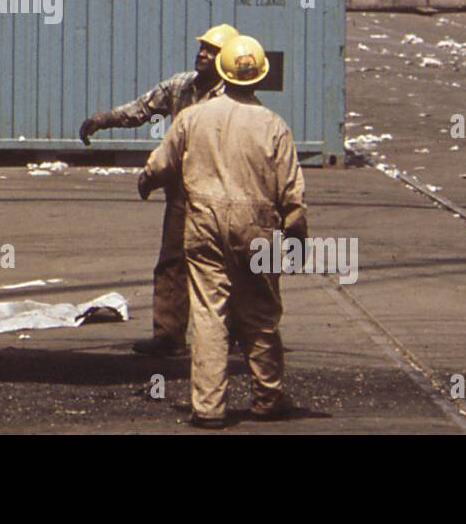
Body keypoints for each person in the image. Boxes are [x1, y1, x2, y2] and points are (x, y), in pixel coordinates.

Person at [138, 35, 307, 427]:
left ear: (223, 74)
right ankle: (267, 397)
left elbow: (161, 164)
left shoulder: (194, 116)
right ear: (259, 78)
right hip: (258, 227)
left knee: (209, 313)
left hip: (204, 223)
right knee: (260, 312)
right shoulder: (273, 126)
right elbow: (291, 191)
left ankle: (209, 408)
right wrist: (297, 233)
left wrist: (146, 182)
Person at [78, 23, 238, 357]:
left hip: (223, 192)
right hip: (183, 191)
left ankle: (234, 332)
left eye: (212, 50)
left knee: (226, 264)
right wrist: (103, 119)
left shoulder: (233, 98)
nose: (203, 54)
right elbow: (142, 108)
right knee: (172, 262)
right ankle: (169, 334)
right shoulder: (181, 86)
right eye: (202, 47)